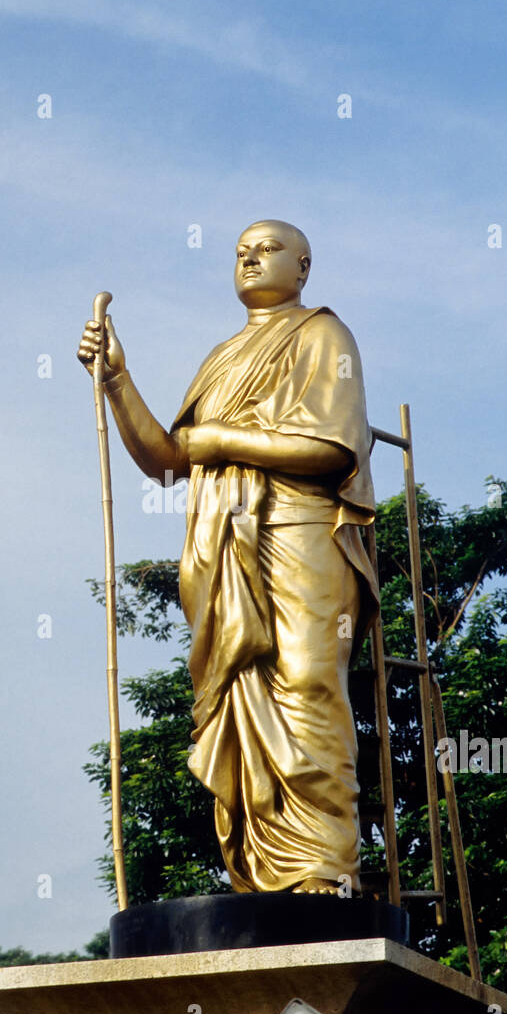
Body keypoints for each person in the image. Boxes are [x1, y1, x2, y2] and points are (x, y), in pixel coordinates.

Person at [77, 220, 378, 894]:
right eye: (240, 249)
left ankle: (326, 870)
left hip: (300, 531)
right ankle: (259, 874)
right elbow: (165, 459)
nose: (248, 255)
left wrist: (219, 439)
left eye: (267, 247)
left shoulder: (323, 335)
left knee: (305, 685)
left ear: (302, 267)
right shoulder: (221, 357)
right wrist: (118, 380)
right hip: (224, 546)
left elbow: (333, 449)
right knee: (240, 700)